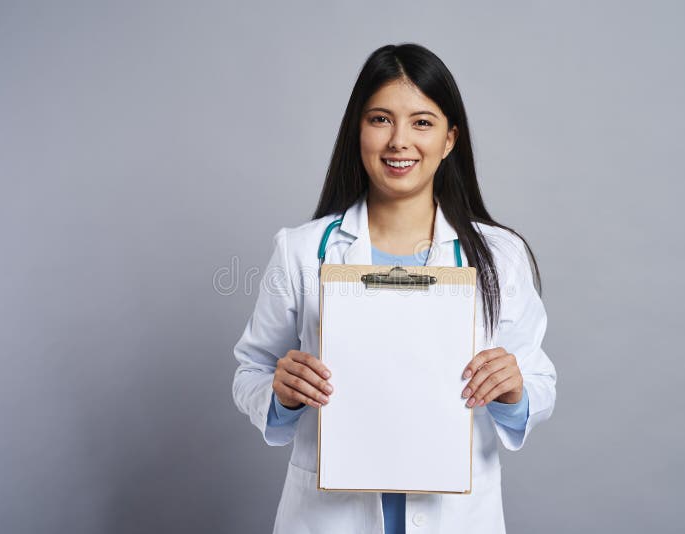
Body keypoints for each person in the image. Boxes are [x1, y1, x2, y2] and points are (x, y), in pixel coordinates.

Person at [232, 43, 556, 534]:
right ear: (357, 132)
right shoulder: (301, 251)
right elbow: (251, 371)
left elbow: (538, 382)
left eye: (422, 123)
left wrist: (513, 392)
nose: (399, 141)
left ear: (450, 140)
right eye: (380, 119)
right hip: (328, 518)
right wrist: (282, 393)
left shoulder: (500, 256)